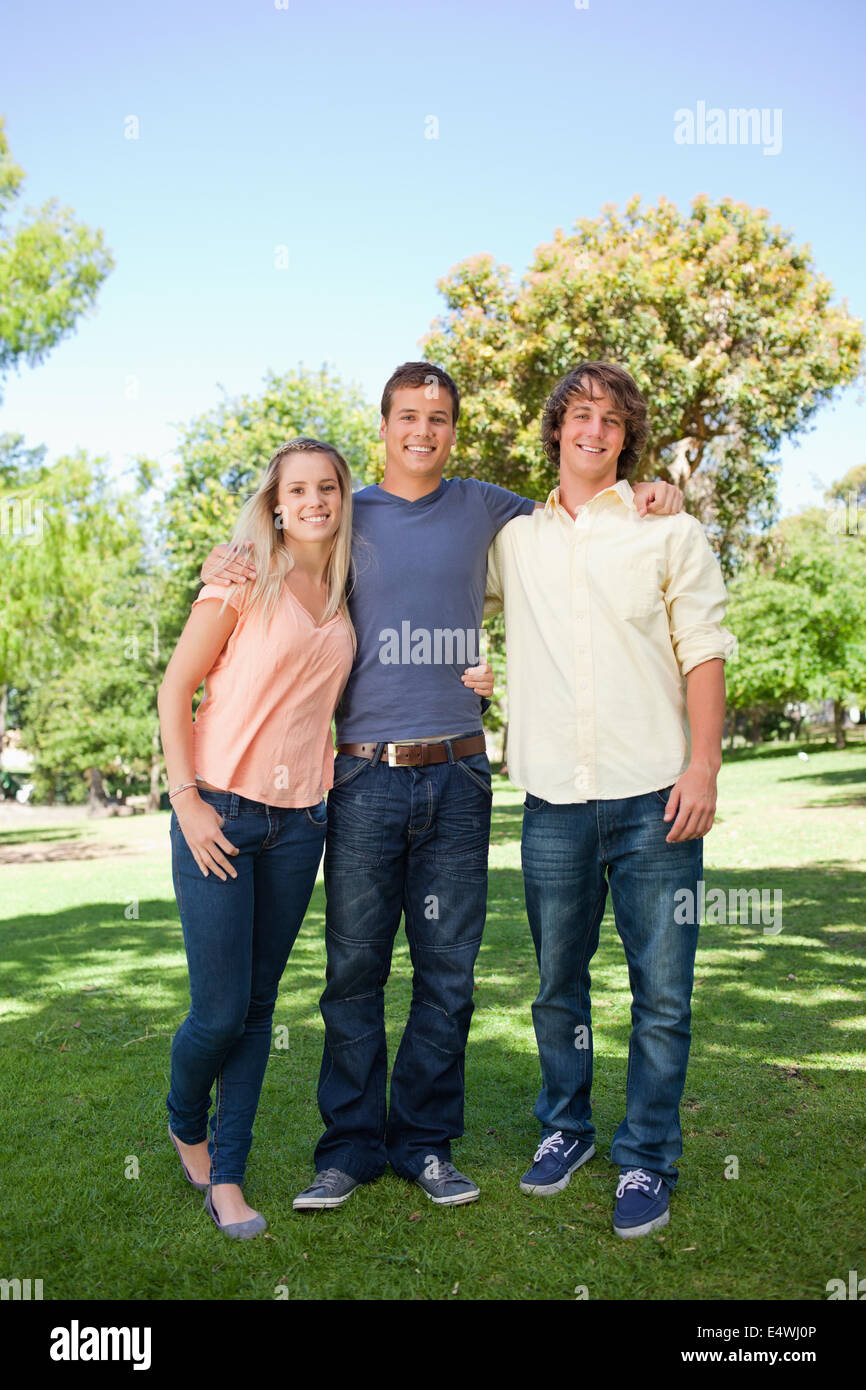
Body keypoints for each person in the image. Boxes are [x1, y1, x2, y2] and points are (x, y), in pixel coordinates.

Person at [202, 361, 682, 1212]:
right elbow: (276, 549)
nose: (424, 431)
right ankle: (347, 1149)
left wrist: (654, 492)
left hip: (459, 777)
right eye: (408, 417)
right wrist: (232, 558)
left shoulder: (487, 508)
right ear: (383, 426)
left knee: (447, 973)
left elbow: (579, 517)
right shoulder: (345, 515)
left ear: (453, 430)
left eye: (439, 418)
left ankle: (425, 1143)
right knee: (353, 971)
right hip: (359, 779)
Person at [484, 362, 734, 1238]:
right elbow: (431, 583)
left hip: (656, 797)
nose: (594, 430)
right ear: (556, 430)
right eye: (580, 415)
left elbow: (703, 650)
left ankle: (647, 1158)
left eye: (613, 420)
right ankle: (565, 1130)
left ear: (628, 438)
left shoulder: (671, 533)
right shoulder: (513, 540)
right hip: (552, 799)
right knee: (557, 986)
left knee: (662, 992)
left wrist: (702, 767)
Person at [157, 437, 358, 1239]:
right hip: (218, 813)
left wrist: (470, 675)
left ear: (343, 499)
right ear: (275, 503)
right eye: (298, 490)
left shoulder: (347, 589)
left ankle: (228, 1176)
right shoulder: (239, 578)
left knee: (259, 1006)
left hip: (302, 823)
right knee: (218, 1012)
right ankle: (182, 1119)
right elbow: (175, 689)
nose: (313, 501)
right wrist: (187, 803)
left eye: (328, 488)